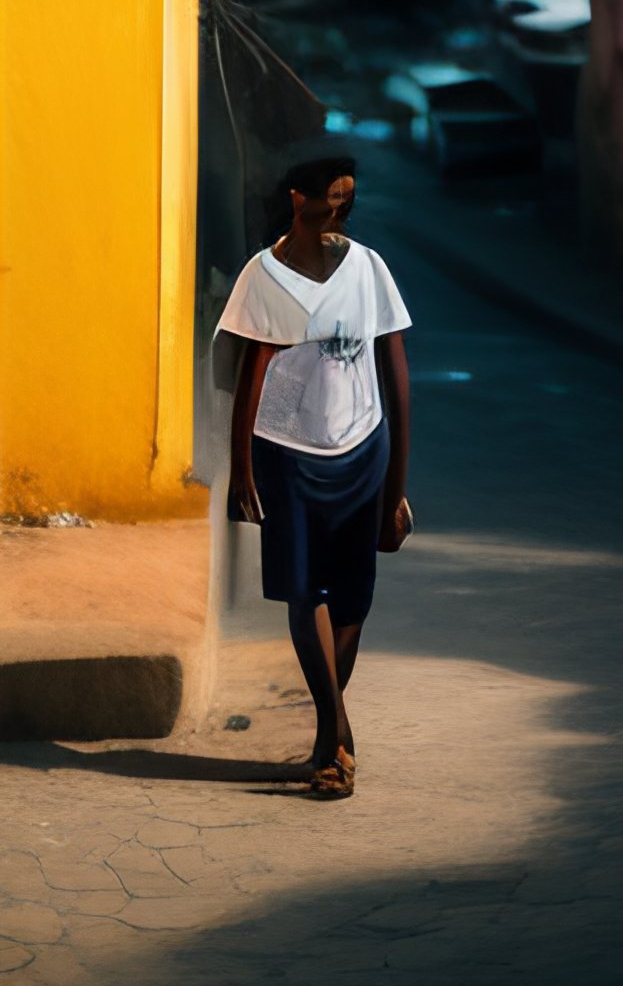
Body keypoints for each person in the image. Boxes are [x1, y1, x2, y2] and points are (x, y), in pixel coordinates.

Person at [218, 151, 413, 798]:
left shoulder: (368, 268)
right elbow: (251, 370)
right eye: (331, 198)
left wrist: (397, 485)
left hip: (363, 449)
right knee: (307, 596)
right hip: (287, 454)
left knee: (354, 598)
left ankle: (331, 737)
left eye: (349, 200)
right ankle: (335, 742)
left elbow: (396, 375)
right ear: (299, 200)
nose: (341, 212)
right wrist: (242, 467)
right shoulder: (264, 275)